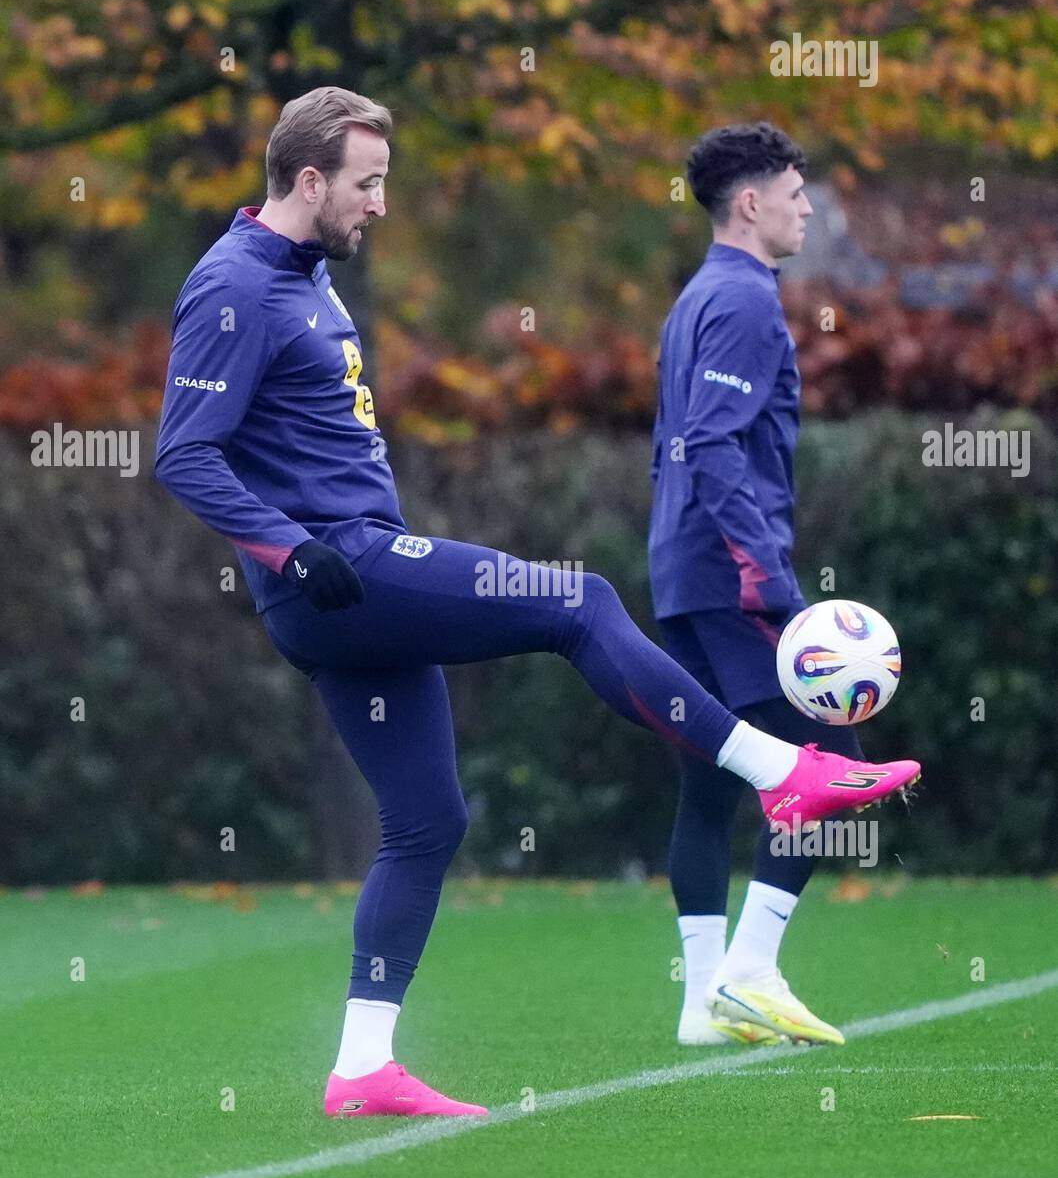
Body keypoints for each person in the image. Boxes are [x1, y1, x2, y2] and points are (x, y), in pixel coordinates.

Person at [155, 89, 920, 1117]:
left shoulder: (310, 277)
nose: (380, 205)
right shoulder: (232, 286)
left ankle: (363, 1066)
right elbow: (181, 454)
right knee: (577, 601)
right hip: (338, 570)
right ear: (307, 181)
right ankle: (781, 773)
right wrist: (289, 551)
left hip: (351, 576)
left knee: (426, 820)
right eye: (367, 184)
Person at [649, 122, 887, 1050]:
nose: (806, 208)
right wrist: (774, 584)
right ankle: (749, 974)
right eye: (795, 194)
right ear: (751, 203)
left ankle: (702, 1002)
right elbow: (709, 445)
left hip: (683, 572)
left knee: (709, 784)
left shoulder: (696, 298)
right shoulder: (744, 300)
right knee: (832, 768)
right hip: (730, 580)